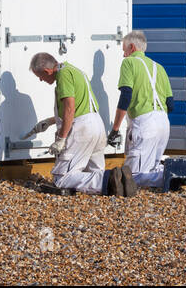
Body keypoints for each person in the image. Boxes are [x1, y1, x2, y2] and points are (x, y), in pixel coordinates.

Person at [29, 51, 136, 197]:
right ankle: (116, 182)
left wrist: (61, 139)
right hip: (97, 126)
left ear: (47, 71)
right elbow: (80, 106)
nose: (41, 80)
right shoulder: (74, 70)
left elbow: (70, 108)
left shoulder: (63, 76)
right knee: (94, 170)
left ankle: (109, 178)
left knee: (62, 178)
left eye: (40, 76)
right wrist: (50, 121)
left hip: (82, 130)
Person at [106, 30, 173, 190]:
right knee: (151, 168)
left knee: (132, 176)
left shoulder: (129, 63)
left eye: (124, 50)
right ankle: (168, 176)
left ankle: (174, 178)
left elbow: (126, 95)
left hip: (144, 122)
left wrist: (115, 129)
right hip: (163, 121)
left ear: (132, 47)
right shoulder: (159, 67)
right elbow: (170, 104)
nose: (123, 55)